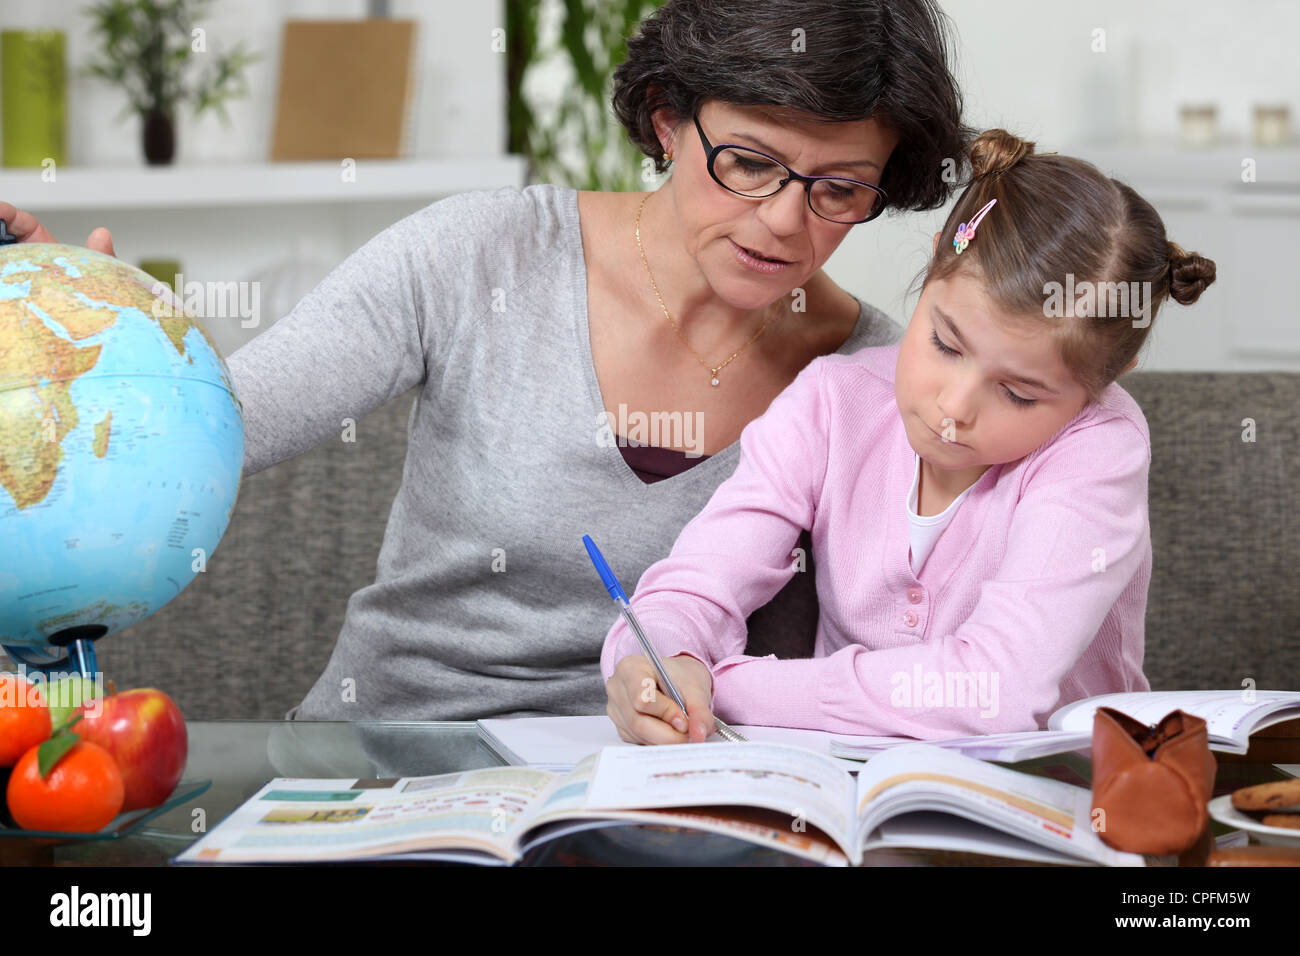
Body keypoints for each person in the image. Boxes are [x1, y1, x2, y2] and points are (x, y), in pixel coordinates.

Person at [1, 0, 970, 720]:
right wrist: (92, 341)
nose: (783, 222)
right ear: (669, 119)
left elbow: (907, 640)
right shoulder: (478, 255)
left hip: (659, 792)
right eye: (749, 162)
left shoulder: (887, 380)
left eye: (839, 190)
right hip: (388, 757)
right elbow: (224, 423)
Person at [602, 129, 1218, 744]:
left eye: (1018, 393)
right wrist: (657, 660)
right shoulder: (831, 402)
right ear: (930, 270)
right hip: (839, 785)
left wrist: (728, 685)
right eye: (945, 344)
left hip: (1056, 800)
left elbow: (993, 691)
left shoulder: (1099, 449)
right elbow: (696, 585)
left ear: (1104, 383)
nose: (954, 406)